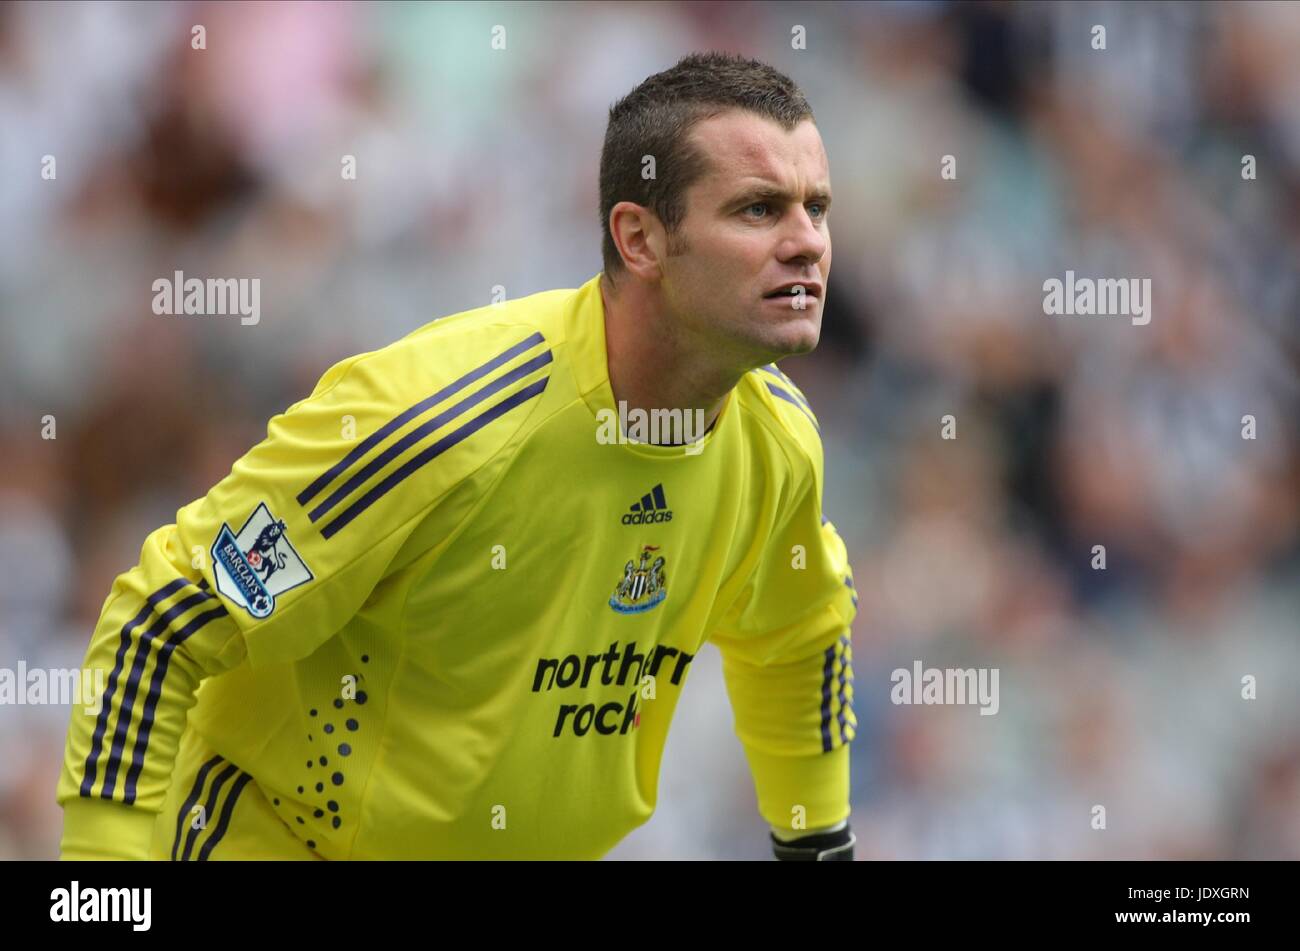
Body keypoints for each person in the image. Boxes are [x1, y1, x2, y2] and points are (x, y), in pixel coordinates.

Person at [57, 51, 857, 861]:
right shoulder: (439, 419)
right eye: (760, 209)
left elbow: (797, 636)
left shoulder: (780, 444)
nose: (807, 244)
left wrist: (817, 842)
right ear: (639, 238)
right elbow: (163, 618)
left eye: (817, 208)